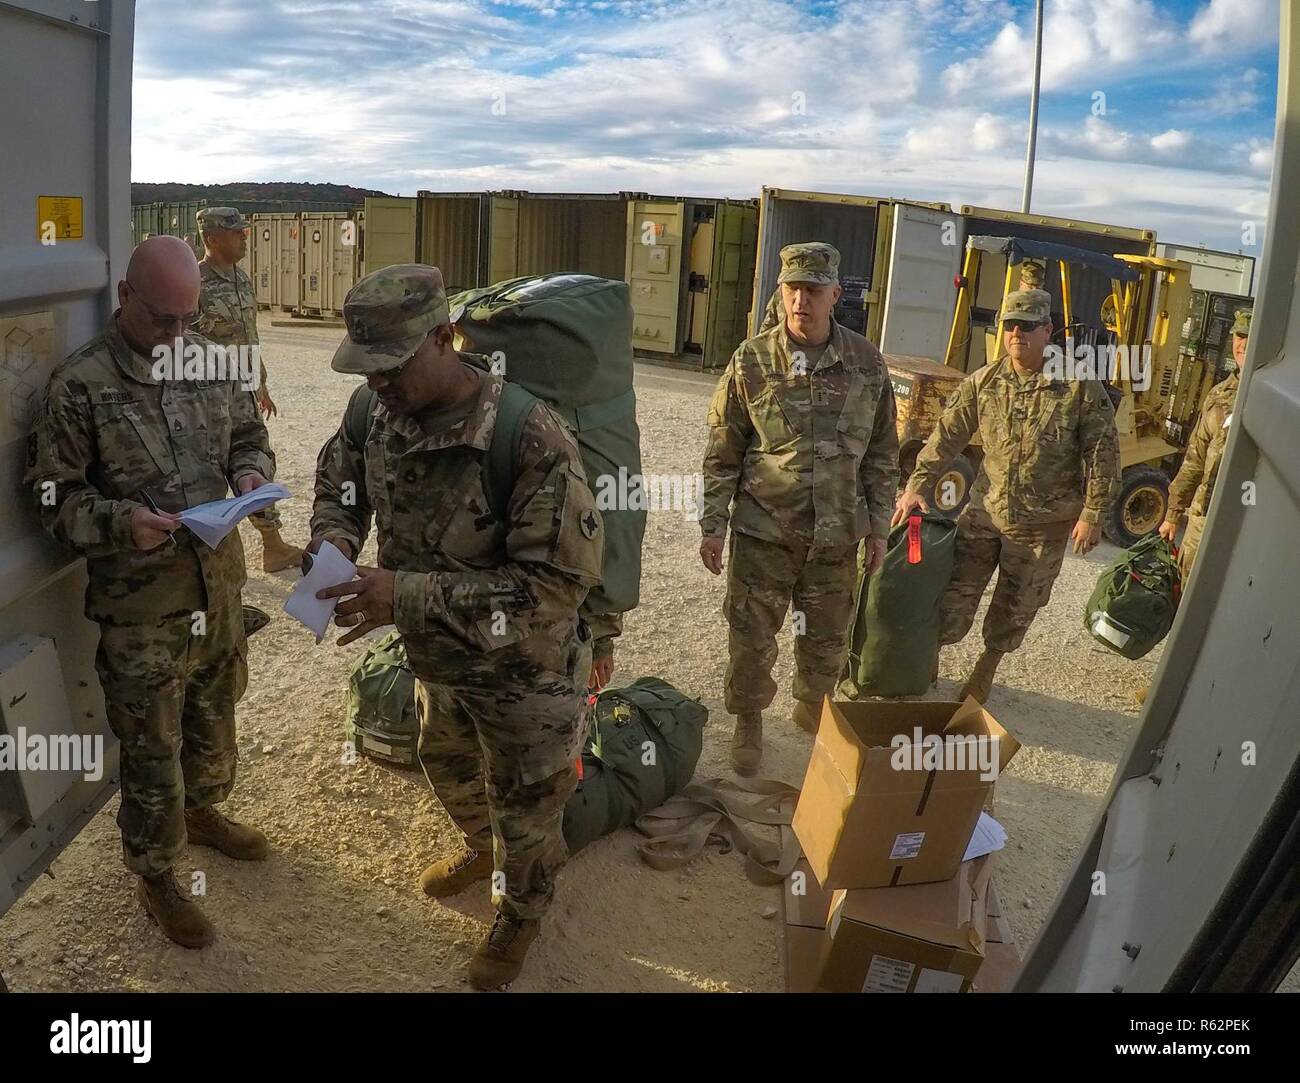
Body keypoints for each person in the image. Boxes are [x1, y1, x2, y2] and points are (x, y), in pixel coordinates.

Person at [308, 264, 603, 990]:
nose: (379, 382)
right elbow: (339, 482)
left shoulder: (530, 437)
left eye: (393, 365)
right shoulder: (372, 409)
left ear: (446, 336)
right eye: (367, 366)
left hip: (525, 673)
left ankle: (522, 908)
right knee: (445, 760)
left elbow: (552, 589)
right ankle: (482, 845)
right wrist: (336, 539)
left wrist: (401, 595)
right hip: (438, 659)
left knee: (527, 803)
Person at [26, 235, 276, 949]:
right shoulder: (80, 386)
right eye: (165, 318)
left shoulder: (204, 359)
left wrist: (253, 474)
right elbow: (49, 497)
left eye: (188, 318)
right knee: (150, 748)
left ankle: (205, 812)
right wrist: (119, 521)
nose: (178, 334)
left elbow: (248, 434)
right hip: (141, 609)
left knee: (215, 713)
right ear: (125, 298)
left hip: (216, 585)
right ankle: (158, 874)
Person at [701, 242, 899, 775]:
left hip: (837, 537)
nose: (801, 300)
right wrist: (712, 525)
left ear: (835, 294)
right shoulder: (752, 360)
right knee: (751, 637)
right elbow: (723, 451)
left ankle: (811, 705)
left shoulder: (866, 362)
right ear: (781, 292)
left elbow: (882, 454)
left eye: (813, 290)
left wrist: (880, 528)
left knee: (827, 637)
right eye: (792, 289)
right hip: (765, 532)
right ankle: (748, 721)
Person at [895, 288, 1120, 703]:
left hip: (1043, 525)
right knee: (953, 593)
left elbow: (1103, 453)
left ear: (1047, 330)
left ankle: (985, 668)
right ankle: (930, 658)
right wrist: (916, 487)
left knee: (1017, 604)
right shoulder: (984, 382)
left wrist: (1094, 513)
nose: (1017, 333)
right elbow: (945, 438)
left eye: (1028, 326)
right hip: (985, 511)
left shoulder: (1078, 387)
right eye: (1010, 325)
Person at [194, 206, 302, 573]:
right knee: (205, 470)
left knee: (254, 460)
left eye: (243, 231)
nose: (244, 237)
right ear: (211, 239)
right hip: (205, 396)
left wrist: (260, 383)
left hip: (242, 391)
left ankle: (272, 544)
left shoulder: (241, 280)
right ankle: (204, 551)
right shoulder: (193, 284)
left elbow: (248, 337)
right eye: (236, 232)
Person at [1159, 308, 1248, 578]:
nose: (1242, 344)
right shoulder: (1219, 395)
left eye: (1250, 336)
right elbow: (1195, 459)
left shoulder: (1277, 398)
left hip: (1245, 519)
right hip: (1202, 517)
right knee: (1188, 588)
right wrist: (1173, 514)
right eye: (1238, 336)